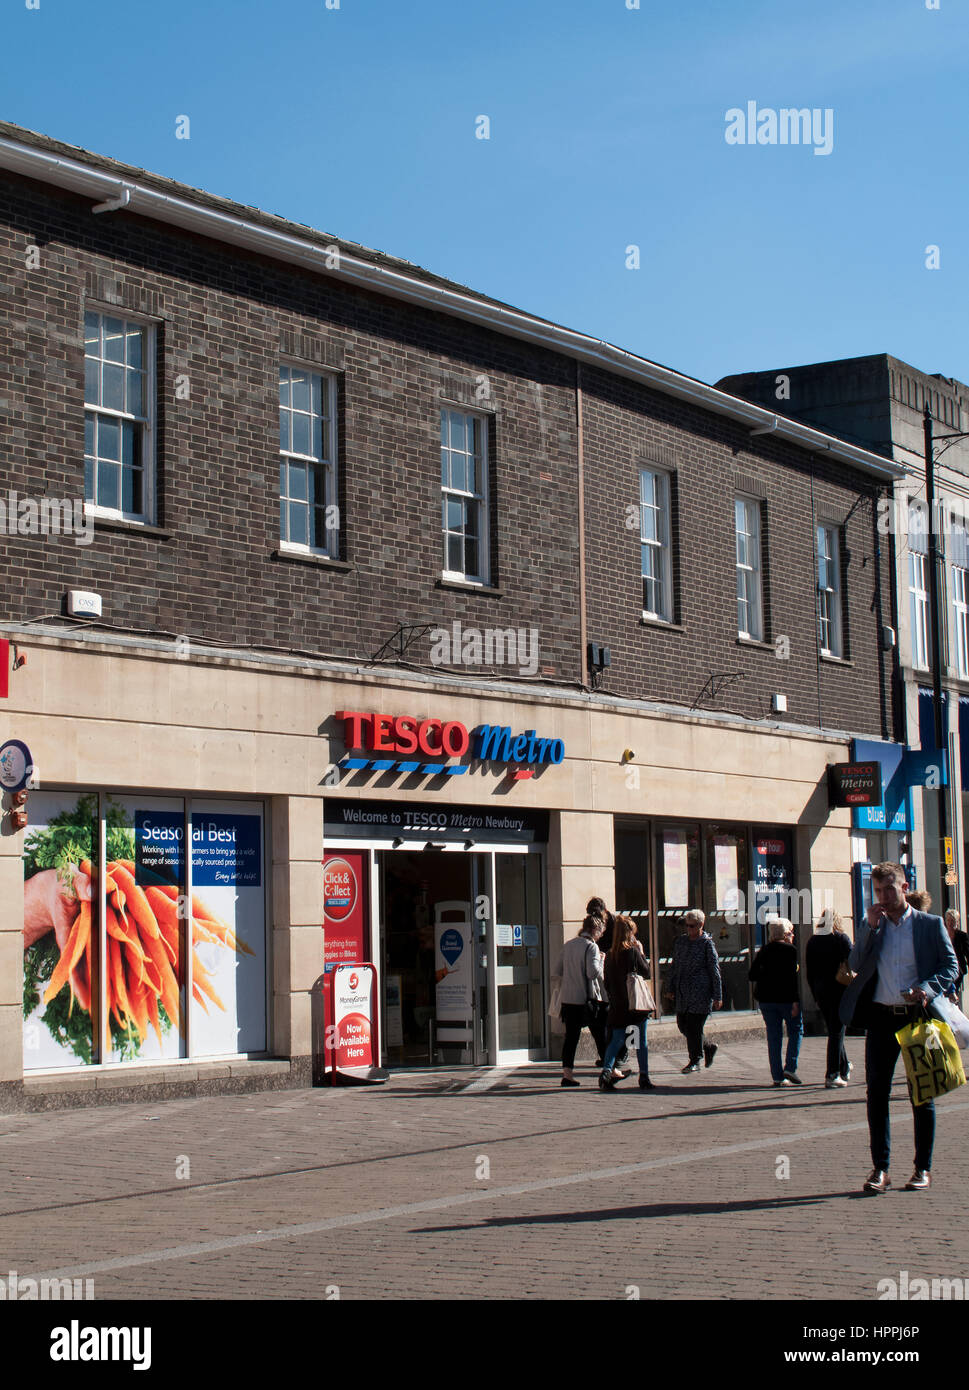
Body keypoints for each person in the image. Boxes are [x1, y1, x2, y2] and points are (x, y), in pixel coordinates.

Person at [840, 862, 959, 1194]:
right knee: (876, 1094)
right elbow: (853, 964)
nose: (884, 897)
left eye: (889, 889)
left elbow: (951, 965)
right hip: (880, 1018)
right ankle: (881, 1168)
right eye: (878, 891)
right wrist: (868, 926)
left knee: (922, 1093)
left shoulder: (929, 925)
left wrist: (927, 987)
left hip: (917, 1016)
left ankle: (923, 1168)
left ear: (905, 888)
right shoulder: (875, 927)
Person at [552, 914, 608, 1087]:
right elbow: (593, 973)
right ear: (594, 930)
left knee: (571, 1038)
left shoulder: (568, 945)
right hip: (586, 1000)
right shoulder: (591, 947)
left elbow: (558, 970)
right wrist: (601, 960)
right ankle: (609, 1070)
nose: (601, 936)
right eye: (600, 932)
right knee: (600, 1034)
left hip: (568, 1000)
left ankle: (567, 1074)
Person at [599, 915, 654, 1091]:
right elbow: (646, 972)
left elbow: (606, 982)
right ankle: (644, 1076)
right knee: (639, 1041)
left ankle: (606, 1072)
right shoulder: (632, 951)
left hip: (618, 1006)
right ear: (629, 933)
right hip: (634, 1005)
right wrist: (641, 951)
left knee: (616, 1039)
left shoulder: (610, 955)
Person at [664, 909, 722, 1073]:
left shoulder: (707, 944)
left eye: (692, 926)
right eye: (687, 925)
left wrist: (717, 996)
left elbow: (714, 970)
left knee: (694, 1027)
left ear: (701, 925)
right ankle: (708, 1047)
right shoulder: (681, 942)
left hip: (700, 992)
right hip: (683, 991)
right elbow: (674, 965)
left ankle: (695, 1060)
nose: (689, 929)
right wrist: (669, 987)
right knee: (683, 1025)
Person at [749, 918, 803, 1087]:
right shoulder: (791, 951)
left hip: (767, 1001)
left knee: (774, 1037)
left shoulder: (764, 951)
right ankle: (791, 1067)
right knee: (796, 1030)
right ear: (786, 934)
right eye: (791, 932)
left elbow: (752, 975)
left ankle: (777, 1076)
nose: (793, 936)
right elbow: (795, 979)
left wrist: (767, 975)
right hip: (787, 999)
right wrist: (796, 1000)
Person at [805, 908, 852, 1088]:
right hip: (839, 990)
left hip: (821, 992)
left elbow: (809, 971)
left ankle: (844, 1066)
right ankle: (832, 1074)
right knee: (836, 1031)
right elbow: (854, 961)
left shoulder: (813, 941)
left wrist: (814, 993)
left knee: (835, 1030)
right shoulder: (841, 939)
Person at [944, 909, 968, 1006]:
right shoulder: (943, 934)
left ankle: (953, 1010)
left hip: (958, 970)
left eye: (953, 920)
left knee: (953, 992)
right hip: (944, 968)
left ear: (957, 921)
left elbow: (967, 952)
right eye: (949, 920)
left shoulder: (962, 936)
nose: (950, 923)